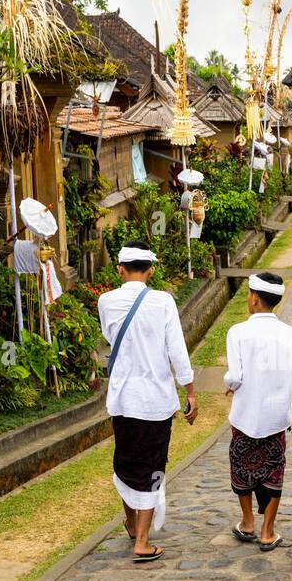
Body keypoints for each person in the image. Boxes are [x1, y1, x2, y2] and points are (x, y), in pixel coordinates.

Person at [98, 240, 197, 563]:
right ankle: (142, 539)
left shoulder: (106, 301)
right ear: (151, 269)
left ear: (120, 270)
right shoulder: (162, 302)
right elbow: (176, 350)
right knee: (152, 465)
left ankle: (130, 523)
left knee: (126, 462)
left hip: (124, 398)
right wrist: (190, 391)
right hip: (155, 399)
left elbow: (110, 338)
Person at [224, 271, 292, 552]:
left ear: (256, 299)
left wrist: (230, 385)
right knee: (274, 470)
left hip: (246, 416)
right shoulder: (289, 334)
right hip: (276, 416)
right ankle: (268, 530)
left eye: (249, 294)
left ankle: (248, 522)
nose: (248, 299)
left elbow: (234, 376)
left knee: (242, 467)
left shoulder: (237, 332)